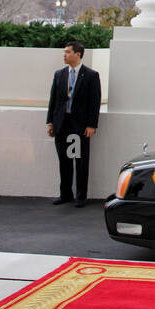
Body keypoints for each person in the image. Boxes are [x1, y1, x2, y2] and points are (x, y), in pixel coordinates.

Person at [46, 41, 101, 208]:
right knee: (65, 159)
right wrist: (50, 122)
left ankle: (81, 195)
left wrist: (91, 125)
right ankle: (65, 193)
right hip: (62, 124)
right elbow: (53, 100)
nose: (65, 55)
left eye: (68, 52)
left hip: (79, 126)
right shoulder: (59, 74)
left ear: (78, 54)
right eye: (65, 52)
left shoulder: (90, 75)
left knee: (80, 160)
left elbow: (94, 102)